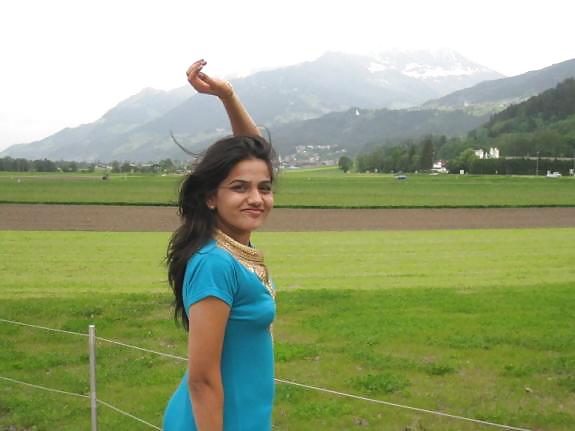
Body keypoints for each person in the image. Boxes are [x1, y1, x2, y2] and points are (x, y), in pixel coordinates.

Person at [163, 59, 277, 431]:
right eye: (239, 188)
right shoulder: (215, 262)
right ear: (211, 197)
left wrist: (227, 96)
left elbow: (255, 153)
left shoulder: (234, 248)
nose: (256, 198)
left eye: (264, 188)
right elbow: (202, 380)